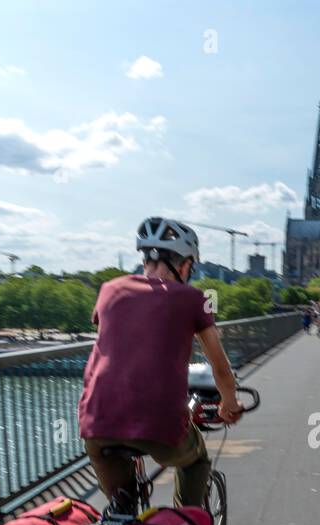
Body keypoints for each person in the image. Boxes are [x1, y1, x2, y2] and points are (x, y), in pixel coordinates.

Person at [79, 216, 242, 509]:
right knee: (196, 461)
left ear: (146, 259)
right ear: (184, 264)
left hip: (96, 423)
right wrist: (229, 405)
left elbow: (116, 346)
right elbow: (219, 366)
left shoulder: (109, 289)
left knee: (122, 509)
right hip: (159, 424)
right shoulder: (196, 299)